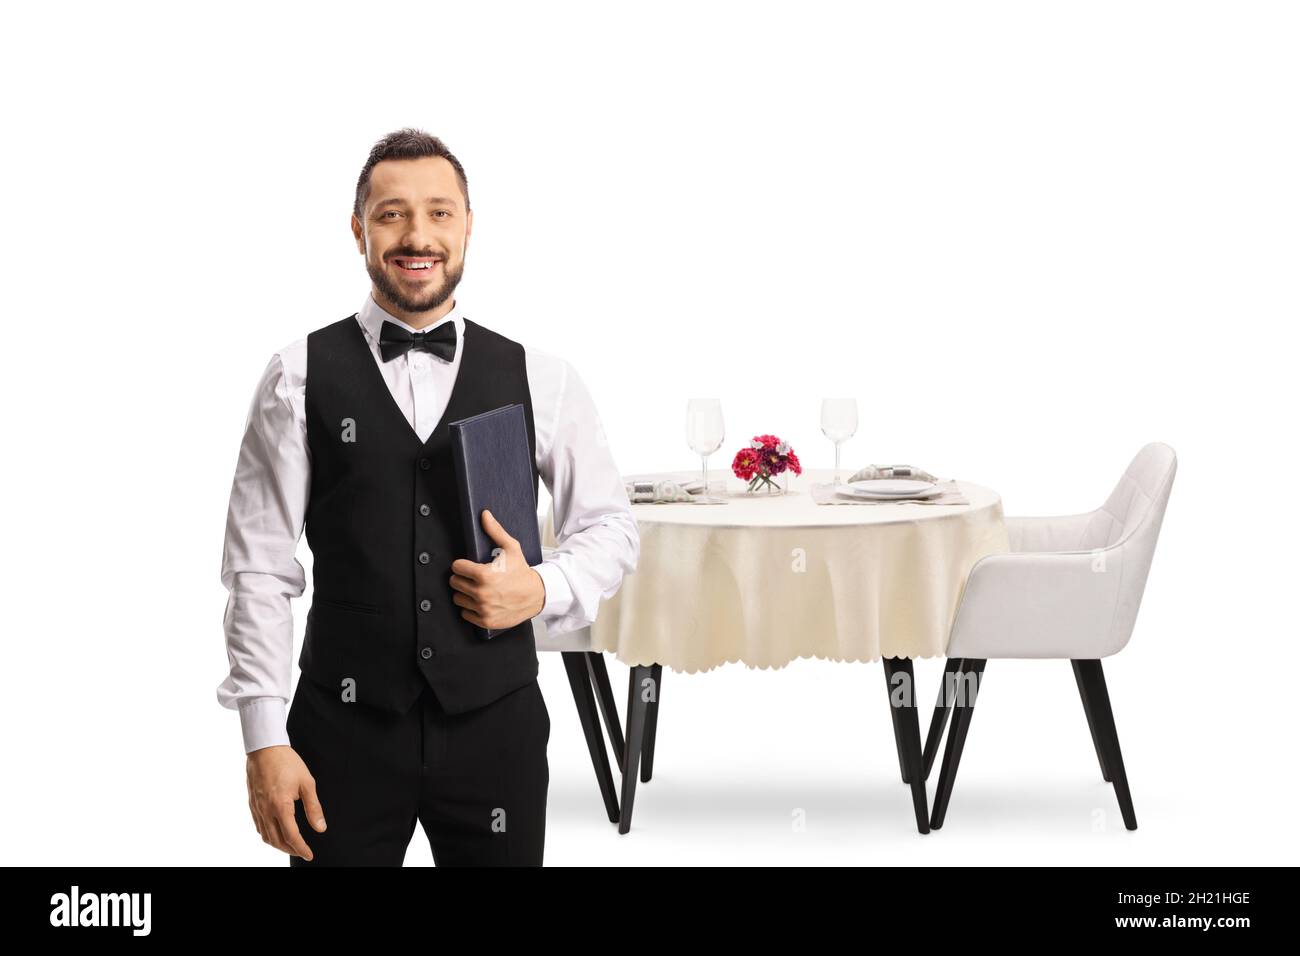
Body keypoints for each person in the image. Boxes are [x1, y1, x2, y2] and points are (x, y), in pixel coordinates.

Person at [216, 127, 639, 865]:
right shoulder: (297, 377)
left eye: (440, 213)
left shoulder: (542, 376)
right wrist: (264, 738)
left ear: (469, 225)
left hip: (495, 730)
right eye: (392, 214)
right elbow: (257, 568)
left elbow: (610, 528)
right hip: (339, 733)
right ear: (358, 230)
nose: (418, 235)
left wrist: (541, 589)